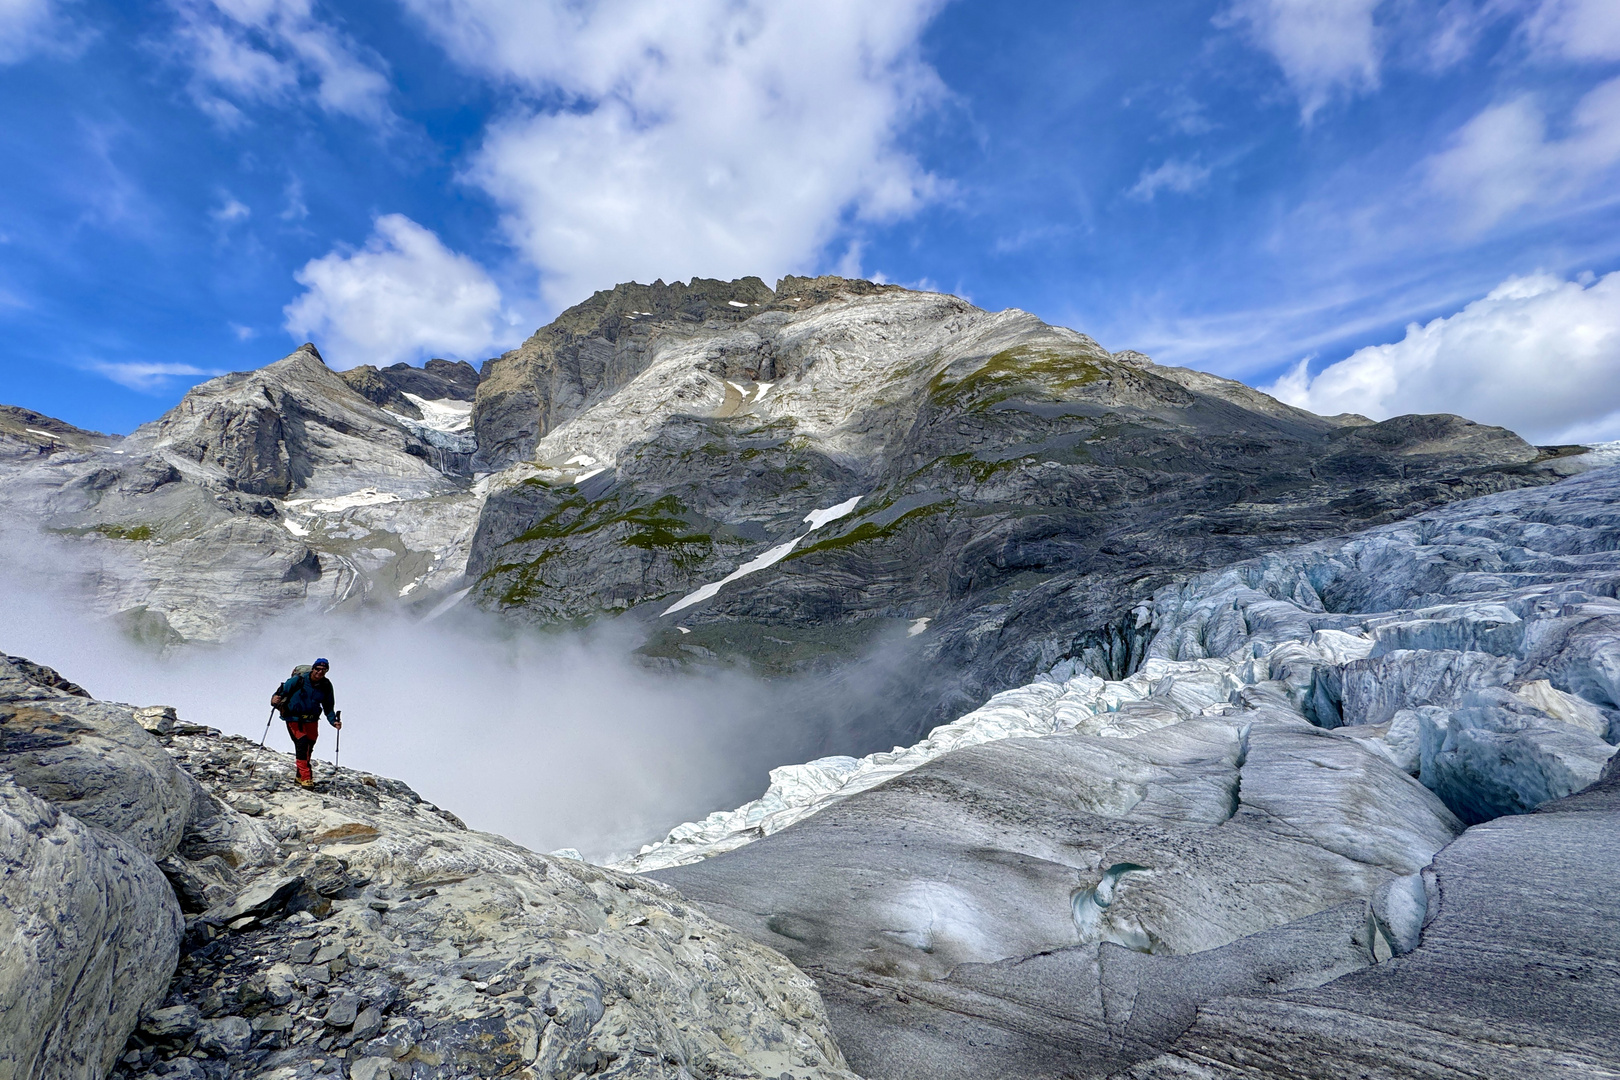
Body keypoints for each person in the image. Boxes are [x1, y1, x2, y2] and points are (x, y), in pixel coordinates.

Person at [270, 658, 341, 788]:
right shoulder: (298, 680)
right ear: (313, 669)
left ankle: (299, 776)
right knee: (302, 745)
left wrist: (333, 721)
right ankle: (306, 778)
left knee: (309, 747)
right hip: (293, 718)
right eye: (317, 669)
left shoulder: (326, 685)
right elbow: (281, 692)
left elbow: (328, 706)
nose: (320, 672)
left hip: (312, 720)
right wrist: (274, 699)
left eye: (323, 670)